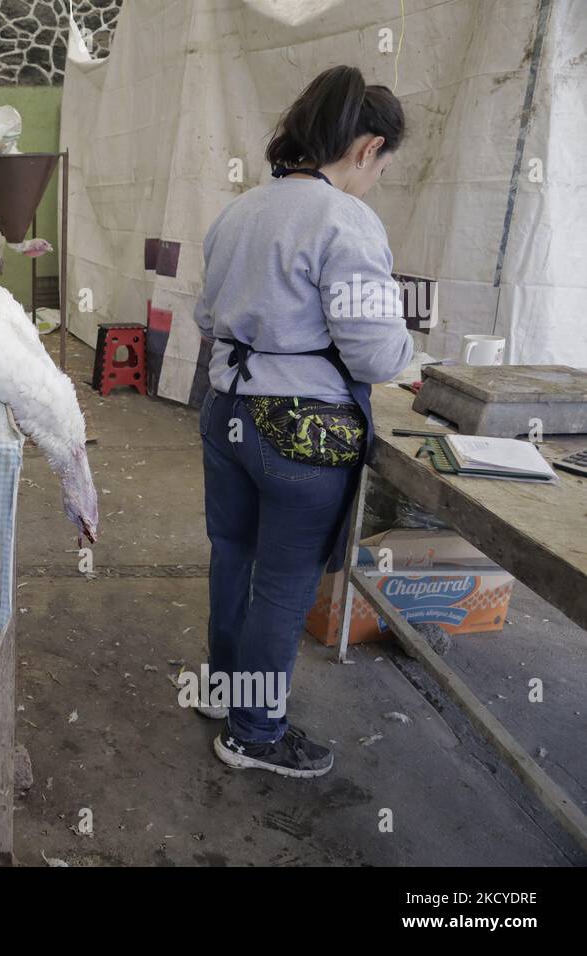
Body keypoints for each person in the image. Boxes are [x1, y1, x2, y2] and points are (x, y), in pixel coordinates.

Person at [192, 65, 414, 778]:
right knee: (284, 584)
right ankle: (253, 734)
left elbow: (206, 315)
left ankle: (225, 692)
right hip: (301, 428)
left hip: (226, 407)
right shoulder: (346, 220)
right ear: (367, 147)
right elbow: (374, 350)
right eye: (382, 164)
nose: (375, 178)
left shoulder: (241, 210)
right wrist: (412, 352)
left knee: (233, 557)